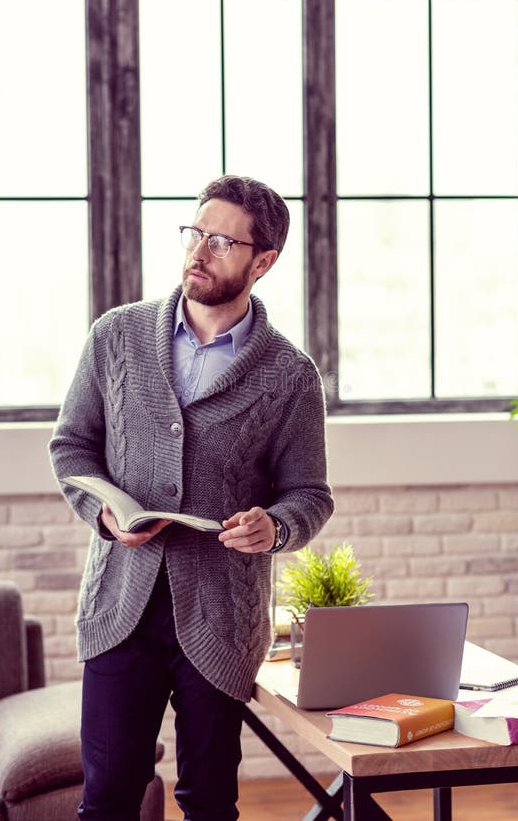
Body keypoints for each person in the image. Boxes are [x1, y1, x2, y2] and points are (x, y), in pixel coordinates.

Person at [49, 174, 334, 821]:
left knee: (209, 803)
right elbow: (71, 447)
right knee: (107, 800)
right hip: (120, 607)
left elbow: (309, 495)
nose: (199, 253)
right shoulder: (116, 337)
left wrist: (274, 527)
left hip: (220, 618)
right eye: (195, 233)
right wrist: (103, 513)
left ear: (263, 261)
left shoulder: (290, 376)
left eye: (222, 242)